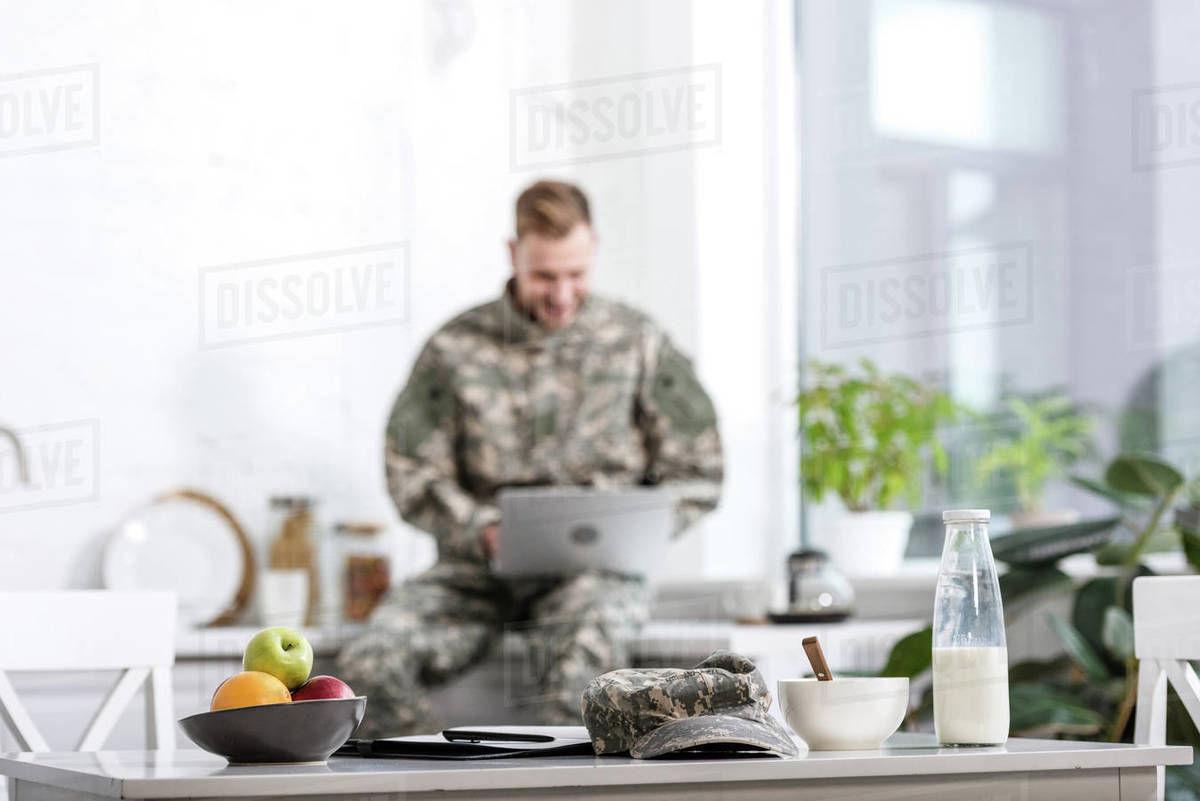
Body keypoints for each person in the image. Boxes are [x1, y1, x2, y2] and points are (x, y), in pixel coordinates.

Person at [337, 179, 723, 736]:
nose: (562, 294)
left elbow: (702, 471)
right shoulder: (454, 348)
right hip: (476, 572)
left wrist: (634, 525)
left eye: (577, 275)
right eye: (545, 275)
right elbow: (411, 471)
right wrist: (480, 529)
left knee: (582, 676)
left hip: (595, 573)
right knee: (367, 667)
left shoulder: (637, 341)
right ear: (514, 255)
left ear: (594, 253)